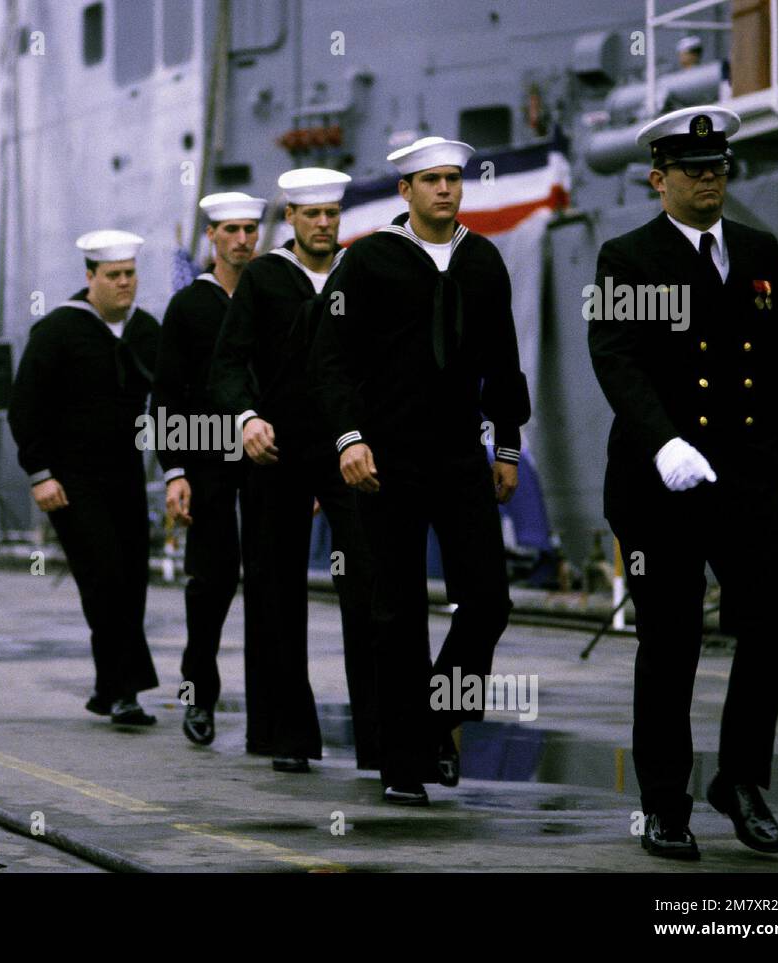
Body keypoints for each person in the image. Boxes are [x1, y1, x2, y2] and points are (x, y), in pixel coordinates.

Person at [588, 106, 778, 858]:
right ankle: (663, 803)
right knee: (672, 640)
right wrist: (665, 443)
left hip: (746, 477)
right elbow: (617, 359)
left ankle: (740, 778)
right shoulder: (627, 256)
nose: (711, 181)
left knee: (774, 627)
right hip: (664, 485)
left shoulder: (754, 248)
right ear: (659, 180)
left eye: (719, 170)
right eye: (695, 171)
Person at [311, 136, 530, 805]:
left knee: (488, 601)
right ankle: (404, 761)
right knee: (397, 611)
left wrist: (509, 447)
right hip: (386, 460)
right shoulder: (370, 261)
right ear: (405, 191)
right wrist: (348, 438)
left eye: (454, 179)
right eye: (431, 180)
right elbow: (332, 357)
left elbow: (504, 360)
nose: (445, 190)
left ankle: (437, 720)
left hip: (462, 455)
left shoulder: (483, 260)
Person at [209, 168, 380, 774]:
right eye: (312, 215)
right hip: (276, 450)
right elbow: (227, 365)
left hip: (347, 448)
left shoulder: (360, 273)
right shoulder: (263, 279)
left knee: (368, 581)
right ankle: (289, 734)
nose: (325, 224)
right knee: (276, 589)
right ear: (292, 219)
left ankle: (381, 739)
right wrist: (247, 418)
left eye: (332, 214)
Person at [8, 230, 161, 727]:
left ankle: (107, 688)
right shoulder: (58, 330)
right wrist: (40, 473)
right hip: (71, 480)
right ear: (90, 277)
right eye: (113, 275)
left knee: (132, 578)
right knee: (105, 575)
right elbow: (24, 405)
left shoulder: (145, 331)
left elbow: (173, 396)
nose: (124, 284)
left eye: (130, 274)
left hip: (126, 476)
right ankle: (125, 692)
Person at [153, 192, 266, 747]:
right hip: (207, 455)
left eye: (250, 229)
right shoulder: (190, 308)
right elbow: (167, 395)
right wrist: (174, 472)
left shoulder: (271, 293)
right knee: (212, 583)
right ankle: (199, 693)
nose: (243, 239)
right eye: (231, 231)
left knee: (269, 583)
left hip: (267, 454)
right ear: (212, 239)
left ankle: (274, 714)